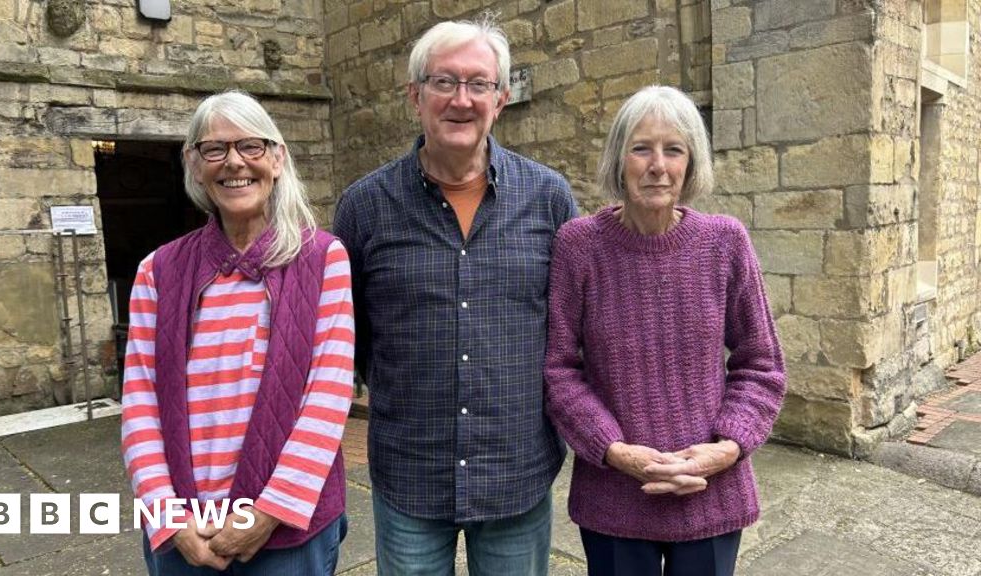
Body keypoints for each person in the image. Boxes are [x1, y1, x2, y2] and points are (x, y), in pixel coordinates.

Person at [332, 16, 578, 576]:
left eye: (479, 84)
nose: (461, 100)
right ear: (415, 96)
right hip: (411, 472)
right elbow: (350, 338)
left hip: (516, 470)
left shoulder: (549, 199)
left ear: (503, 97)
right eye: (444, 82)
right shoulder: (364, 206)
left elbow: (571, 328)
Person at [544, 85, 787, 576]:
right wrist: (614, 450)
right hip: (614, 498)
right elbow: (561, 370)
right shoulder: (579, 246)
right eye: (642, 148)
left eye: (673, 149)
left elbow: (761, 365)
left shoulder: (725, 243)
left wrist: (726, 448)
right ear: (619, 158)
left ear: (691, 162)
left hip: (711, 496)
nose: (658, 165)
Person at [120, 90, 354, 575]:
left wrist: (265, 514)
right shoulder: (156, 271)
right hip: (185, 530)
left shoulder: (322, 258)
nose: (234, 163)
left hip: (289, 528)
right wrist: (169, 516)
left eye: (251, 146)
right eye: (214, 149)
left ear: (277, 158)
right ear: (194, 163)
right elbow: (140, 403)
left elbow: (328, 395)